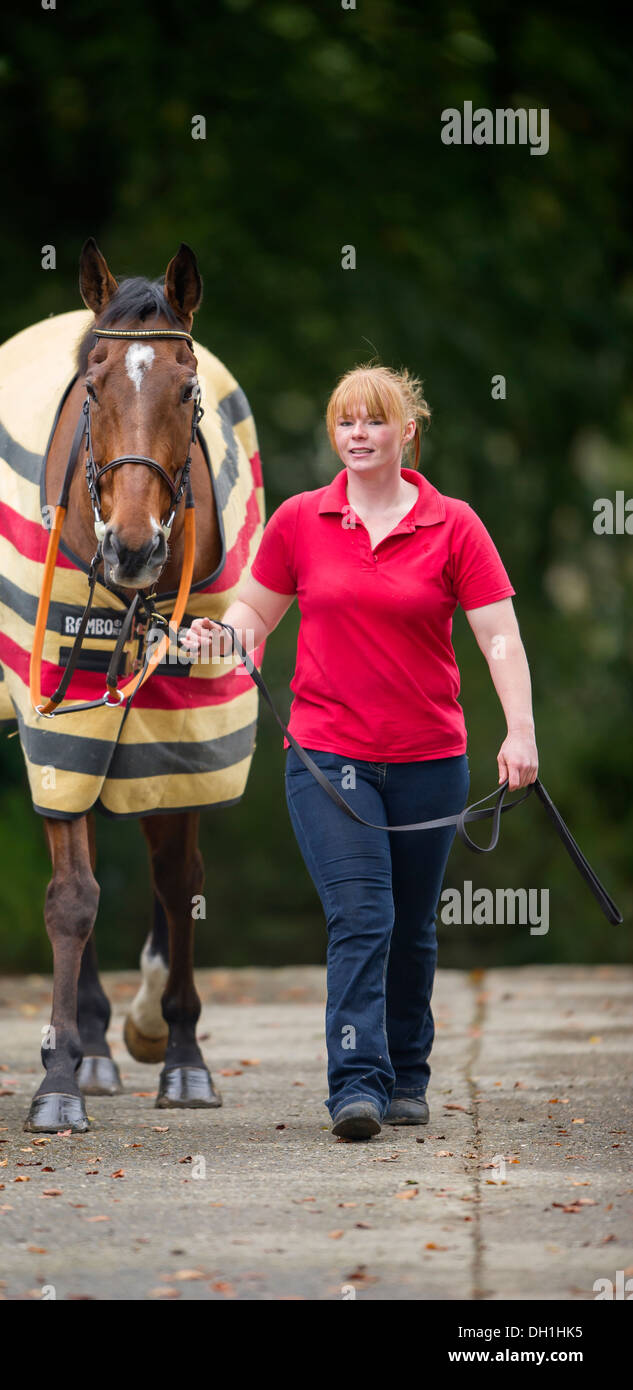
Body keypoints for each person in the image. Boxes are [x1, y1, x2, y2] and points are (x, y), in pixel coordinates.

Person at [179, 363, 539, 1141]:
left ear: (406, 430)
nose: (357, 435)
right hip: (327, 754)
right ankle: (357, 1083)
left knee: (411, 925)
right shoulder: (301, 522)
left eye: (373, 421)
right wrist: (218, 636)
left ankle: (408, 1074)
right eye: (344, 422)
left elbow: (497, 635)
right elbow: (253, 617)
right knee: (361, 916)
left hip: (429, 758)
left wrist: (520, 729)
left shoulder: (455, 525)